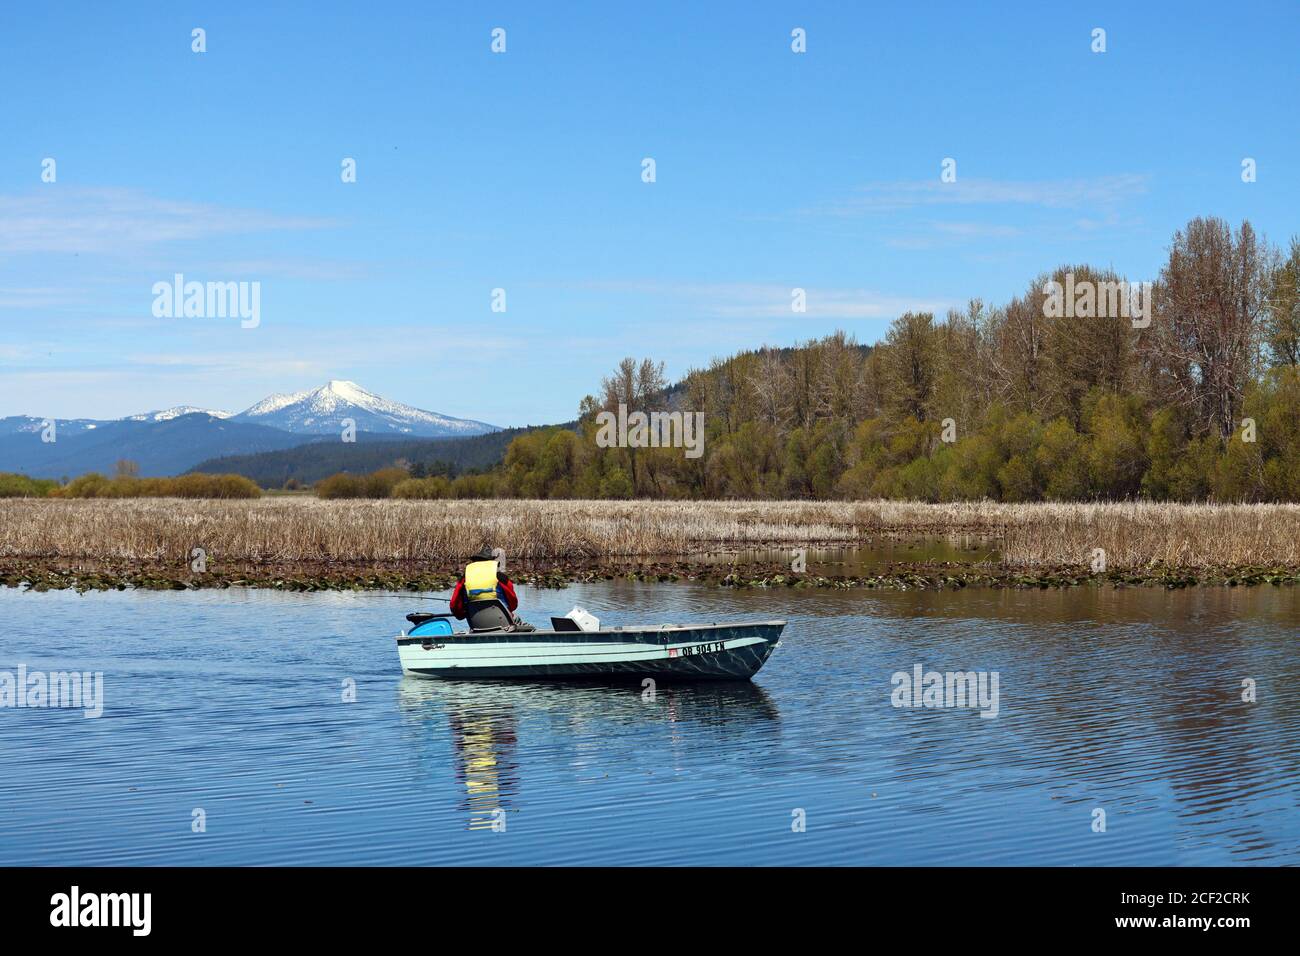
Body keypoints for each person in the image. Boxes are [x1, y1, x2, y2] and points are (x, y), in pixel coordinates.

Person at [449, 547, 534, 631]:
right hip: (504, 624)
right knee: (518, 620)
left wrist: (463, 613)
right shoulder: (501, 578)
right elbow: (513, 605)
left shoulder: (464, 579)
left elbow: (455, 607)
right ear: (492, 562)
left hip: (476, 625)